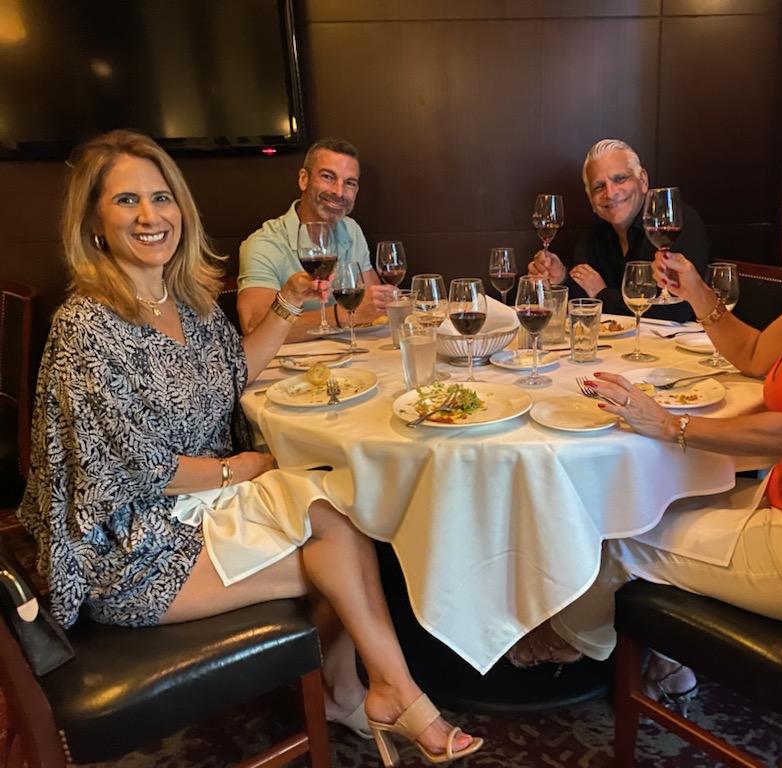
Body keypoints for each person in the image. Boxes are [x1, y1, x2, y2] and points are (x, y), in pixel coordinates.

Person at [17, 130, 481, 764]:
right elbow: (141, 472)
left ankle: (359, 693)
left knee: (343, 514)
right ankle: (386, 694)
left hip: (198, 510)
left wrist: (287, 302)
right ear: (95, 221)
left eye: (161, 197)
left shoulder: (186, 298)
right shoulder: (86, 326)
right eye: (127, 201)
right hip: (131, 547)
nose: (150, 216)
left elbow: (234, 372)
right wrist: (238, 469)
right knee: (344, 556)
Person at [509, 122, 782, 698]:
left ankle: (571, 644)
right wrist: (695, 290)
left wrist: (668, 424)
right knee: (638, 503)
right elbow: (754, 355)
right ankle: (663, 658)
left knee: (610, 533)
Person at [527, 138, 710, 321]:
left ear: (643, 181)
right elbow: (582, 302)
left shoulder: (678, 224)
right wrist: (560, 279)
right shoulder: (593, 238)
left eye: (620, 179)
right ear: (591, 201)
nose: (610, 192)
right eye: (599, 186)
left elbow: (677, 310)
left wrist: (602, 293)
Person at [237, 138, 394, 341]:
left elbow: (374, 307)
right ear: (304, 179)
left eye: (349, 183)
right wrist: (341, 316)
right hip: (293, 360)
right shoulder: (263, 244)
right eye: (328, 177)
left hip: (350, 354)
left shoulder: (351, 230)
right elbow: (254, 326)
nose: (339, 192)